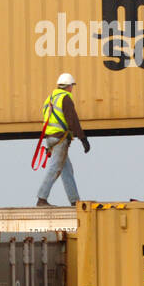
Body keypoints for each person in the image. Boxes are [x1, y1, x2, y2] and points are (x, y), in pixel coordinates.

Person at [36, 72, 90, 206]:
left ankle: (74, 201)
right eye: (72, 86)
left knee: (66, 169)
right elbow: (73, 120)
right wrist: (83, 139)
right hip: (60, 138)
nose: (72, 88)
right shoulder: (65, 98)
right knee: (55, 168)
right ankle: (41, 198)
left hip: (50, 138)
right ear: (69, 86)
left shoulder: (50, 98)